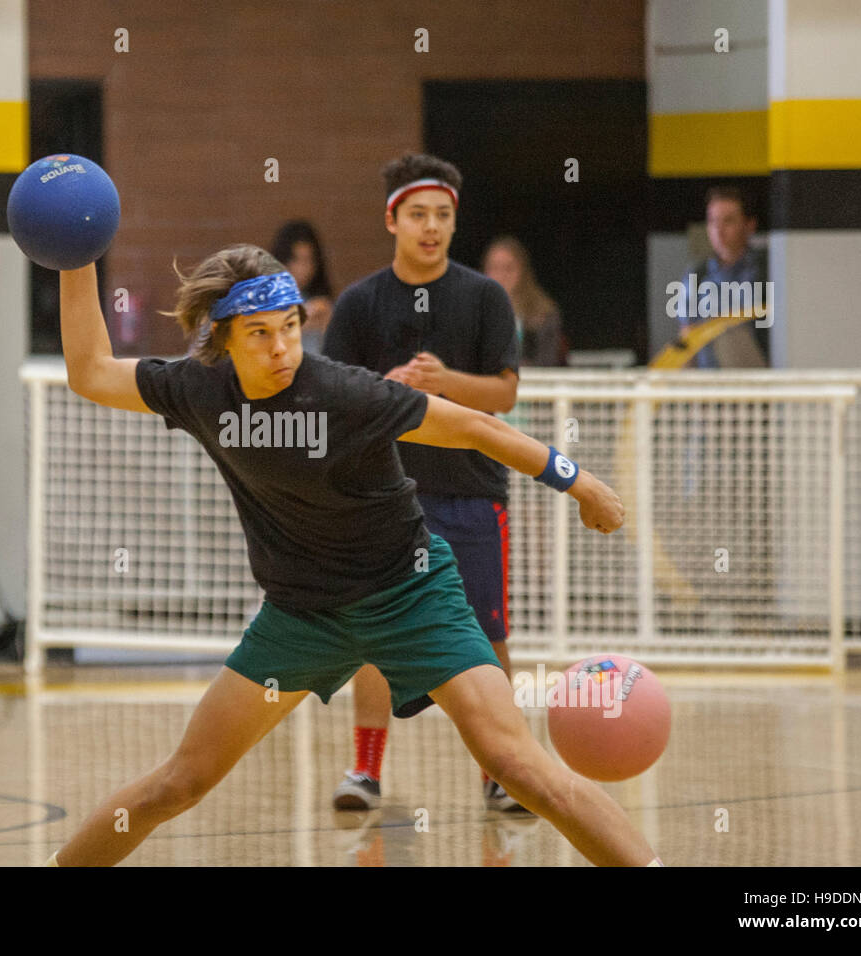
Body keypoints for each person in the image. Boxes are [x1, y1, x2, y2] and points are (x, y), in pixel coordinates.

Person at [46, 242, 662, 867]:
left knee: (520, 768)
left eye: (290, 328)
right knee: (180, 782)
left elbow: (479, 426)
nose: (282, 348)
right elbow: (90, 371)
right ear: (223, 338)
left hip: (412, 597)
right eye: (259, 334)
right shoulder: (199, 388)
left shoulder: (344, 394)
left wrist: (578, 480)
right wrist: (76, 250)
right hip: (300, 617)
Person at [322, 154, 529, 814]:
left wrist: (445, 385)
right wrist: (391, 388)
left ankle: (503, 774)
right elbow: (329, 398)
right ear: (392, 219)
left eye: (442, 215)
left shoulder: (484, 297)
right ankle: (365, 771)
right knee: (373, 638)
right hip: (383, 498)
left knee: (487, 637)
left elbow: (504, 391)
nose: (431, 227)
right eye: (418, 215)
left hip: (471, 493)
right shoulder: (358, 304)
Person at [675, 186, 769, 369]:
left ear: (749, 225)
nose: (718, 230)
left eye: (728, 221)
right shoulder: (696, 274)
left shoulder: (767, 270)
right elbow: (687, 336)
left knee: (731, 335)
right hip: (709, 387)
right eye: (713, 221)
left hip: (754, 384)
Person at [483, 236, 568, 367]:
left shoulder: (543, 315)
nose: (501, 276)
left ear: (523, 271)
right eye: (494, 268)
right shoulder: (472, 312)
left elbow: (548, 364)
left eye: (508, 268)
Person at [271, 219, 334, 352]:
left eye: (309, 260)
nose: (302, 269)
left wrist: (329, 321)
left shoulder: (317, 300)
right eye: (295, 260)